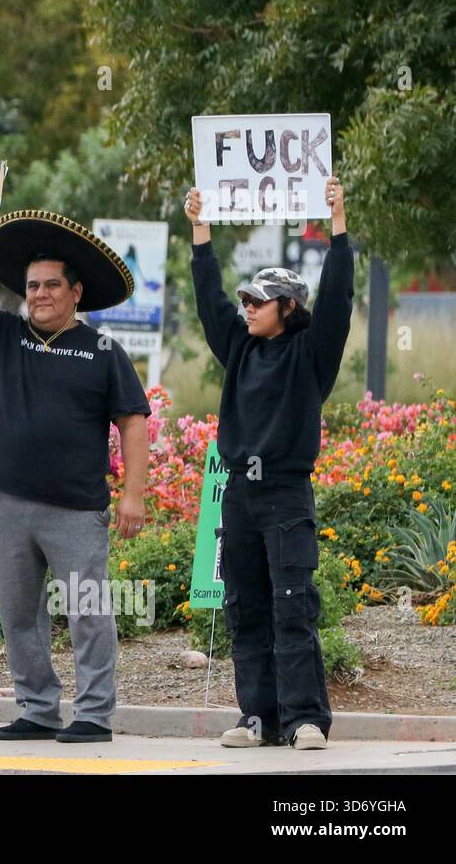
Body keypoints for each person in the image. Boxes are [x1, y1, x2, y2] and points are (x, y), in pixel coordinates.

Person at [0, 201, 151, 744]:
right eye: (32, 286)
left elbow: (134, 423)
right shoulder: (4, 336)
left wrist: (133, 495)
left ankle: (95, 714)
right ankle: (37, 709)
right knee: (18, 615)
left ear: (75, 292)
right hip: (8, 504)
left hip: (77, 509)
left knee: (88, 613)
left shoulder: (104, 351)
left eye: (52, 285)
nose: (40, 294)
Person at [185, 177, 352, 751]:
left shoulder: (311, 353)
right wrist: (200, 233)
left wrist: (339, 227)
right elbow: (210, 304)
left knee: (291, 608)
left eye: (257, 301)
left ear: (288, 307)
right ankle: (258, 717)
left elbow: (338, 303)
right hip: (239, 496)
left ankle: (305, 719)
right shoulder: (241, 349)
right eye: (246, 300)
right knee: (245, 608)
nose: (246, 308)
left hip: (285, 496)